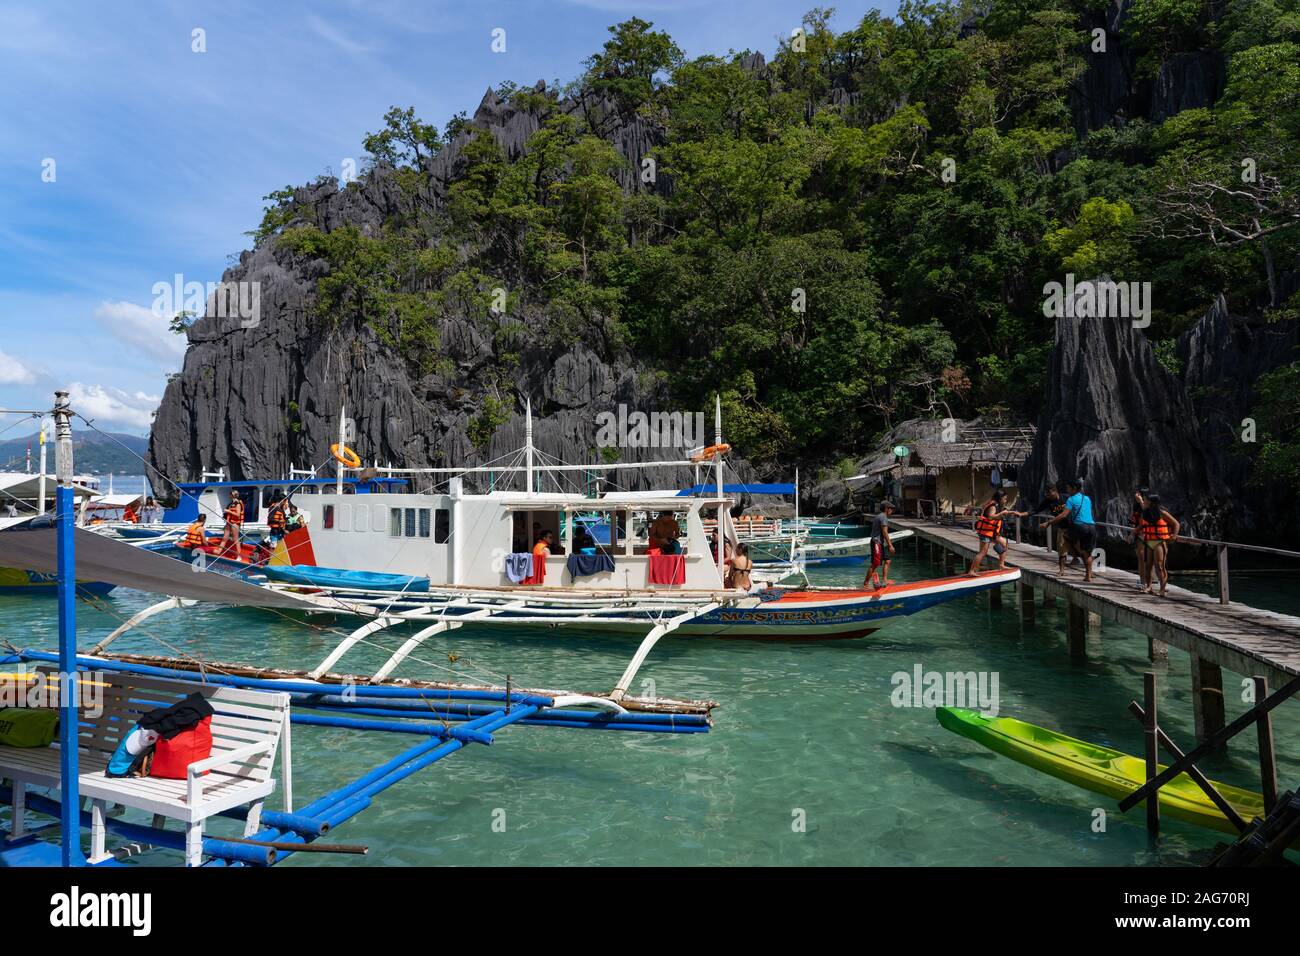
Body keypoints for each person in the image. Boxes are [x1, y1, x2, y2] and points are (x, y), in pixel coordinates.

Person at [1047, 478, 1097, 582]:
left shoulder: (1071, 499)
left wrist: (1049, 522)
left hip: (1079, 526)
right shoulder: (1087, 498)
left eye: (1068, 488)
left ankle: (1076, 555)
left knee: (1066, 536)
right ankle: (1088, 576)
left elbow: (1064, 514)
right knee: (1087, 552)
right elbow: (1089, 512)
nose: (1067, 490)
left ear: (1074, 488)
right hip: (1091, 526)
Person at [968, 490, 1027, 575]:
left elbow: (1002, 513)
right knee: (982, 553)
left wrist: (1013, 512)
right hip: (986, 533)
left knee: (1005, 544)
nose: (1005, 500)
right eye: (1005, 499)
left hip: (992, 533)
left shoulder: (998, 505)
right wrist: (1002, 513)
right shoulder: (993, 506)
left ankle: (1001, 565)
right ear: (1000, 498)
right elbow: (991, 517)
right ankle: (971, 571)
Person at [1138, 494, 1180, 597]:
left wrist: (1174, 535)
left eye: (1146, 500)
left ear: (1151, 502)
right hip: (1149, 542)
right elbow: (1141, 525)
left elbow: (1176, 524)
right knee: (1148, 566)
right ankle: (1149, 587)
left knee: (1160, 566)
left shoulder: (1162, 513)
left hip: (1160, 543)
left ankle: (1162, 589)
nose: (1144, 501)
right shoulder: (1145, 513)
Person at [1034, 483, 1072, 575]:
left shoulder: (1066, 498)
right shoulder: (1047, 501)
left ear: (1055, 492)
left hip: (1073, 526)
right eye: (1046, 494)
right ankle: (1061, 570)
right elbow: (1036, 510)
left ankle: (1089, 572)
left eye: (1049, 494)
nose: (1048, 496)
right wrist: (1023, 514)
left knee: (1081, 548)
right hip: (1062, 527)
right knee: (1061, 548)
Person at [865, 499, 897, 589]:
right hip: (876, 543)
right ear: (886, 508)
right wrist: (890, 545)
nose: (892, 510)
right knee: (875, 564)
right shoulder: (883, 517)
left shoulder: (880, 516)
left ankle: (885, 580)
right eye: (891, 508)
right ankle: (866, 583)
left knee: (887, 561)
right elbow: (884, 532)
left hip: (879, 543)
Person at [1130, 487, 1150, 592]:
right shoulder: (1137, 507)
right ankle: (1143, 582)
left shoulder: (1149, 506)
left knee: (1149, 561)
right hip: (1139, 535)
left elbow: (1148, 514)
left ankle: (1150, 584)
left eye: (1139, 494)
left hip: (1148, 536)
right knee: (1141, 559)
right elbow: (1134, 521)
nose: (1136, 496)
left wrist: (1141, 501)